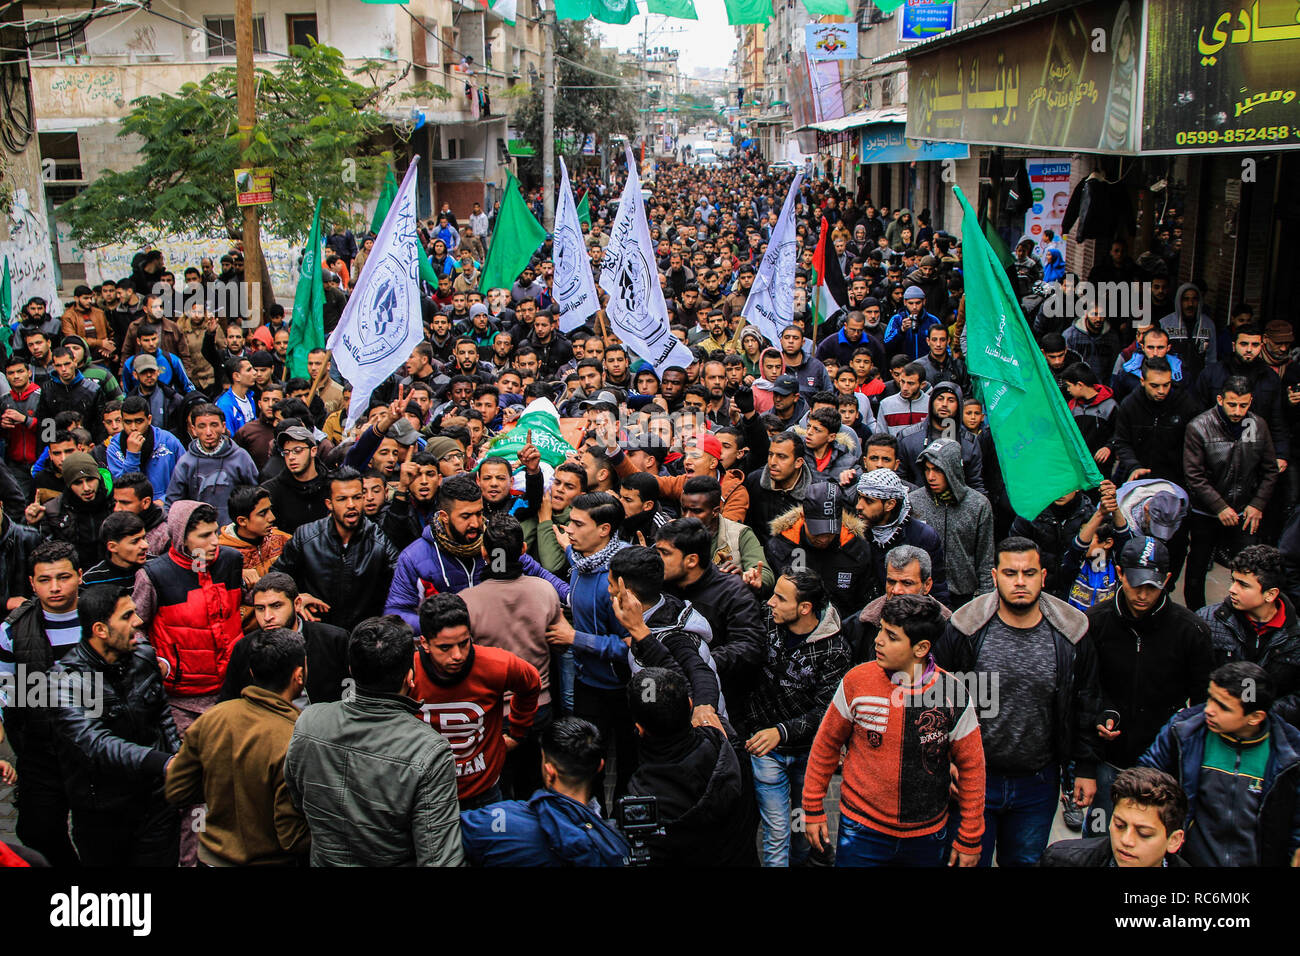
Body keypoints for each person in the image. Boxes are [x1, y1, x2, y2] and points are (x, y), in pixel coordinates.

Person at [934, 537, 1101, 867]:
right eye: (1011, 573)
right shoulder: (965, 626)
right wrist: (943, 759)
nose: (1020, 582)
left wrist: (1085, 767)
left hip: (1037, 784)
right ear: (995, 577)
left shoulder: (1072, 632)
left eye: (1029, 573)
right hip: (973, 780)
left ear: (1044, 575)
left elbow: (1086, 700)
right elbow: (937, 699)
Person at [804, 594, 984, 867]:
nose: (878, 641)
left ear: (921, 648)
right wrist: (813, 808)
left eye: (891, 636)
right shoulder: (857, 682)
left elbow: (972, 767)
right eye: (880, 630)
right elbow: (826, 745)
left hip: (927, 835)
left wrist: (970, 836)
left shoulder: (953, 693)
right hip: (861, 830)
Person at [285, 615, 465, 866]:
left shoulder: (309, 721)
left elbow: (297, 799)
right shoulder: (428, 750)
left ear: (351, 671)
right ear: (409, 677)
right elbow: (439, 857)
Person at [1083, 536, 1213, 831]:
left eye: (1152, 587)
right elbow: (1083, 689)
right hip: (1108, 760)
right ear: (1119, 574)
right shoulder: (1094, 623)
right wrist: (1100, 715)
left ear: (1167, 580)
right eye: (1135, 583)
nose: (1143, 594)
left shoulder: (1191, 632)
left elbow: (1204, 704)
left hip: (1163, 765)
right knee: (1101, 838)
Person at [50, 584, 180, 866]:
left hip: (156, 805)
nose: (138, 621)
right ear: (100, 630)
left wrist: (178, 756)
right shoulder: (67, 680)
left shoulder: (143, 656)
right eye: (127, 616)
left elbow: (161, 714)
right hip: (104, 813)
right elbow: (94, 743)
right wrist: (161, 762)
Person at [165, 627, 310, 867]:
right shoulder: (295, 737)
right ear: (299, 675)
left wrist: (223, 789)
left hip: (211, 858)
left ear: (252, 672)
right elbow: (291, 837)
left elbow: (177, 789)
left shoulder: (212, 719)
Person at [1139, 662, 1300, 867]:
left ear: (1255, 717)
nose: (1209, 710)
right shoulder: (1183, 731)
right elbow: (1146, 779)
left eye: (1223, 706)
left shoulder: (1291, 754)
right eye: (1211, 698)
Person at [741, 568, 851, 867]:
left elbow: (826, 711)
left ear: (804, 608)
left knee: (801, 829)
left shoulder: (835, 648)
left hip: (809, 755)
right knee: (776, 833)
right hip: (765, 750)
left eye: (780, 598)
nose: (770, 603)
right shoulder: (767, 622)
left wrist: (782, 731)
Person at [542, 492, 637, 804]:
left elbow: (632, 646)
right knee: (587, 768)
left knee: (627, 765)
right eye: (569, 521)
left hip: (623, 689)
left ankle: (623, 831)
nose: (569, 529)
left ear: (604, 530)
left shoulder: (622, 576)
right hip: (588, 685)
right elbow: (571, 553)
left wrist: (574, 639)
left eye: (577, 523)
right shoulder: (583, 558)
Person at [461, 514, 566, 798]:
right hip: (540, 706)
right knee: (536, 786)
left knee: (499, 788)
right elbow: (559, 644)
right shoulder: (545, 591)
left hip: (494, 713)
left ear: (483, 552)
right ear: (523, 551)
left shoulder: (467, 601)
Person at [410, 592, 540, 810]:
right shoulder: (408, 673)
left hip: (484, 794)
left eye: (464, 643)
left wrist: (517, 732)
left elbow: (531, 684)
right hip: (428, 797)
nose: (458, 655)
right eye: (445, 647)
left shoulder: (496, 664)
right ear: (424, 643)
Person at [0, 541, 85, 867]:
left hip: (97, 747)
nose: (55, 588)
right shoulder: (13, 629)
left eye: (63, 577)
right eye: (45, 580)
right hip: (40, 748)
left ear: (79, 576)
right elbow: (5, 688)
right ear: (32, 583)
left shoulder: (102, 617)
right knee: (38, 828)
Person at [624, 667, 757, 866]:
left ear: (639, 729)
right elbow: (699, 671)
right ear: (689, 704)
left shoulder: (643, 796)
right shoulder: (725, 746)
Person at [457, 716, 629, 867]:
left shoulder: (501, 822)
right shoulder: (613, 844)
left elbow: (446, 834)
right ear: (600, 766)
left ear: (549, 771)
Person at [1182, 376, 1278, 610]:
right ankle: (1198, 616)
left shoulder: (1258, 425)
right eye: (1232, 404)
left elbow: (1270, 470)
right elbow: (1194, 475)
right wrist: (1219, 507)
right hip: (1206, 511)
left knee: (1249, 570)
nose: (1237, 411)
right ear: (1220, 399)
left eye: (1243, 405)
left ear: (1250, 402)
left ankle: (1241, 615)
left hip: (1244, 510)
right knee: (1197, 566)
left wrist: (1257, 504)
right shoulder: (1199, 426)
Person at [272, 467, 400, 633]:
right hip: (316, 635)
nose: (351, 505)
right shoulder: (306, 537)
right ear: (329, 504)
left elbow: (402, 584)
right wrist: (295, 598)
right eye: (342, 499)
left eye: (356, 497)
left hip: (361, 638)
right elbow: (275, 580)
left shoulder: (378, 541)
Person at [1197, 545, 1300, 727]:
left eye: (1243, 584)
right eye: (1233, 580)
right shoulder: (1206, 622)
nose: (1232, 589)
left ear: (1270, 594)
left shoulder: (1295, 637)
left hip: (1268, 733)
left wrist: (1262, 715)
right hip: (1213, 725)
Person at [219, 572, 350, 706]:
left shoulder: (333, 640)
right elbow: (229, 700)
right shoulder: (245, 647)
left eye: (276, 606)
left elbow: (353, 693)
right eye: (260, 608)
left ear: (297, 604)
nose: (267, 616)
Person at [764, 479, 873, 618]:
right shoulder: (781, 546)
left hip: (843, 627)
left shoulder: (856, 549)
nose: (823, 539)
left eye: (829, 533)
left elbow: (864, 602)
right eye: (817, 532)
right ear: (803, 516)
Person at [1040, 767, 1189, 867]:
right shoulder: (1061, 860)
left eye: (1144, 833)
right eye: (1119, 825)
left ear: (1174, 840)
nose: (1126, 840)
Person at [908, 438, 995, 608]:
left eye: (938, 470)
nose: (931, 477)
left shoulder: (978, 505)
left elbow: (986, 559)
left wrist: (986, 603)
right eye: (927, 470)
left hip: (965, 598)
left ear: (953, 469)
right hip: (922, 596)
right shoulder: (913, 501)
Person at [166, 403, 259, 525]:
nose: (208, 432)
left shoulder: (241, 457)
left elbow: (256, 496)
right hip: (199, 533)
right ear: (193, 430)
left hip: (235, 533)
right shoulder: (186, 462)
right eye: (202, 426)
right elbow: (173, 503)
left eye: (214, 425)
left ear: (223, 427)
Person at [28, 451, 114, 571]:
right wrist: (33, 524)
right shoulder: (54, 511)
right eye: (78, 482)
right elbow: (43, 552)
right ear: (69, 484)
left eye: (90, 480)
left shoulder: (116, 503)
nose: (86, 488)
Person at [105, 395, 185, 500]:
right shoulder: (115, 448)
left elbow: (185, 478)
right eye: (128, 422)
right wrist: (132, 455)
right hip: (132, 508)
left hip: (166, 506)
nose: (133, 428)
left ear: (149, 419)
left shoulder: (167, 440)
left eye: (139, 421)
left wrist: (165, 500)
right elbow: (124, 488)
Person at [261, 425, 330, 535]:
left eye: (297, 450)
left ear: (313, 451)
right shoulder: (271, 491)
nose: (291, 457)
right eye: (286, 452)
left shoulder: (331, 485)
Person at [81, 511, 150, 589]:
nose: (145, 545)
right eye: (135, 542)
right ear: (112, 547)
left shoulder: (157, 568)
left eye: (144, 538)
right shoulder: (91, 581)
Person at [111, 470, 171, 557]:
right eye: (115, 502)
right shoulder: (113, 526)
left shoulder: (165, 537)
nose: (116, 509)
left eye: (125, 503)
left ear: (146, 502)